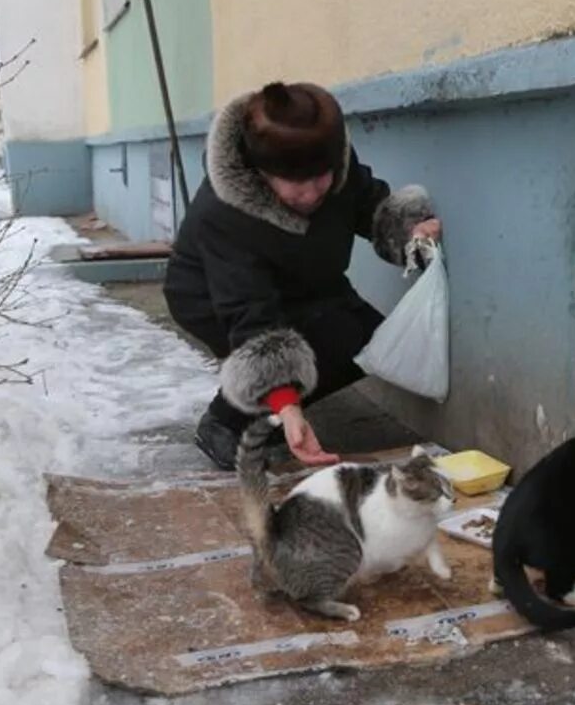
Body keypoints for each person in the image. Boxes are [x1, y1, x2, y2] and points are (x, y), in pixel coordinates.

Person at [163, 81, 441, 470]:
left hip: (297, 278)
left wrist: (412, 230)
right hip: (210, 294)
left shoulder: (329, 160)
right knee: (308, 349)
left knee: (365, 339)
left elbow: (369, 203)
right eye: (295, 183)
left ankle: (270, 411)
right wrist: (286, 404)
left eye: (321, 178)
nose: (312, 193)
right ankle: (225, 424)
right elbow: (251, 315)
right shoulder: (225, 214)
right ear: (262, 173)